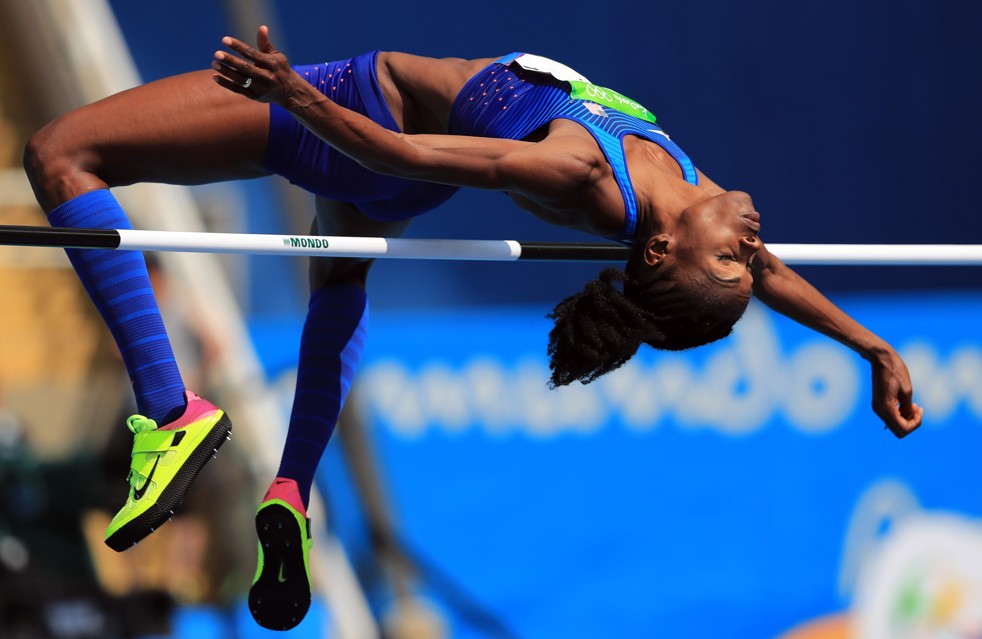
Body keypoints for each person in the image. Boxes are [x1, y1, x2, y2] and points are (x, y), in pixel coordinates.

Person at [22, 26, 923, 630]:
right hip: (391, 175)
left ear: (659, 255)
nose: (752, 250)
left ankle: (168, 405)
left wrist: (300, 96)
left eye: (728, 262)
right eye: (742, 262)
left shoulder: (586, 174)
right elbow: (772, 276)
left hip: (361, 121)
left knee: (62, 153)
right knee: (341, 275)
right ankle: (291, 489)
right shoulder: (683, 191)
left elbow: (407, 151)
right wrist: (872, 345)